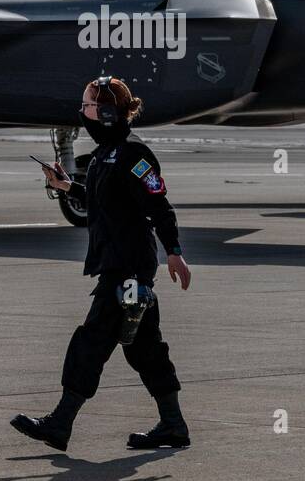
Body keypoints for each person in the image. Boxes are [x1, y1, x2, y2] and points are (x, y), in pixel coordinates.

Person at [11, 75, 192, 452]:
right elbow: (105, 201)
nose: (82, 112)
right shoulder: (105, 153)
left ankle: (60, 424)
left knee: (90, 341)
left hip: (128, 267)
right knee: (145, 350)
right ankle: (173, 425)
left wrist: (173, 251)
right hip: (117, 263)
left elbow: (158, 205)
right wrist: (66, 187)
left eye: (89, 106)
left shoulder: (133, 153)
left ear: (107, 113)